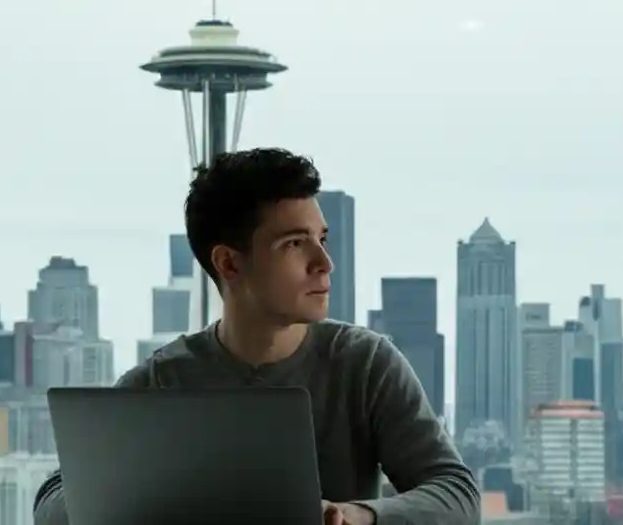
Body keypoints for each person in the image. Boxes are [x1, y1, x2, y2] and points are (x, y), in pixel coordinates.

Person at [33, 148, 480, 525]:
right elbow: (53, 497)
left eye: (321, 239)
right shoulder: (162, 381)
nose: (324, 262)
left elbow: (458, 495)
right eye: (294, 243)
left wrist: (358, 515)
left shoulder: (365, 363)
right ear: (229, 264)